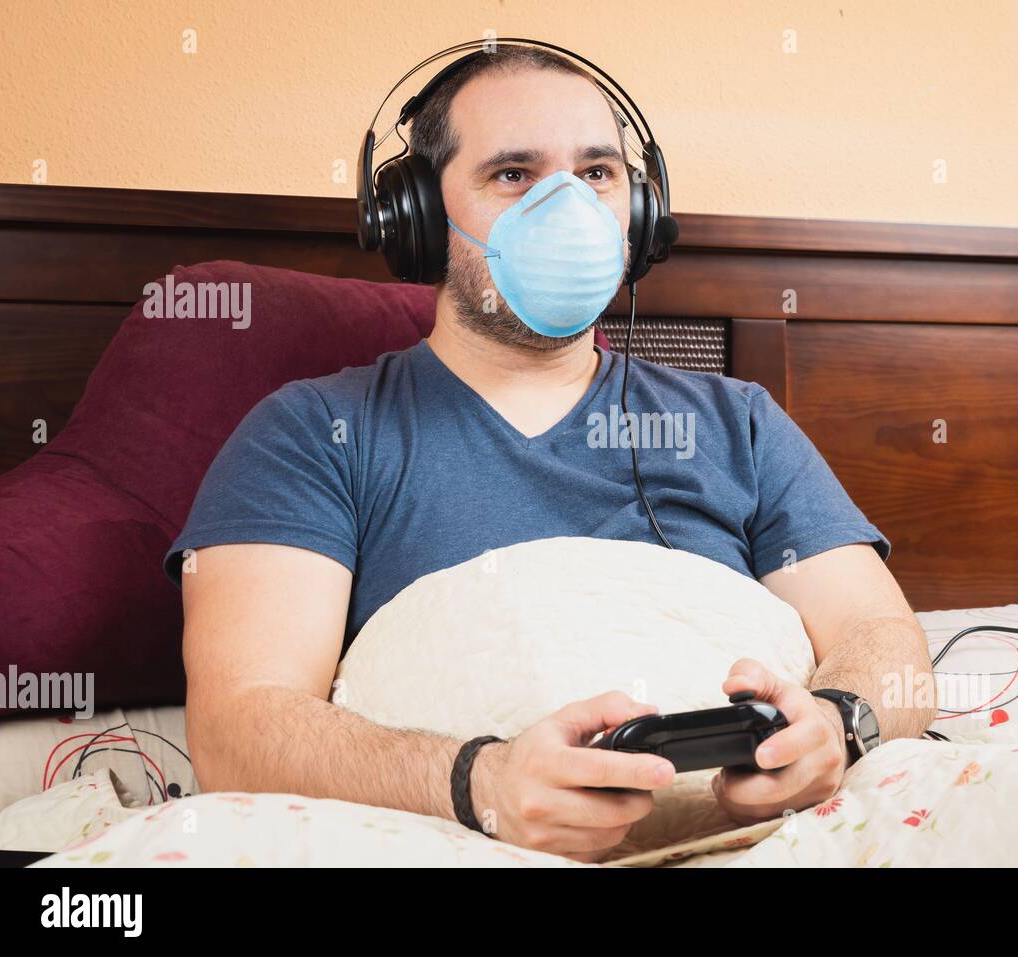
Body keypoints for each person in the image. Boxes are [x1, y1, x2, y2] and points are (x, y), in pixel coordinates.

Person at [165, 44, 935, 864]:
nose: (568, 206)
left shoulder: (738, 420)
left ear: (638, 212)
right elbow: (238, 726)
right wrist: (481, 785)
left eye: (597, 173)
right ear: (418, 219)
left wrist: (839, 723)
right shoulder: (311, 433)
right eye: (514, 174)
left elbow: (886, 638)